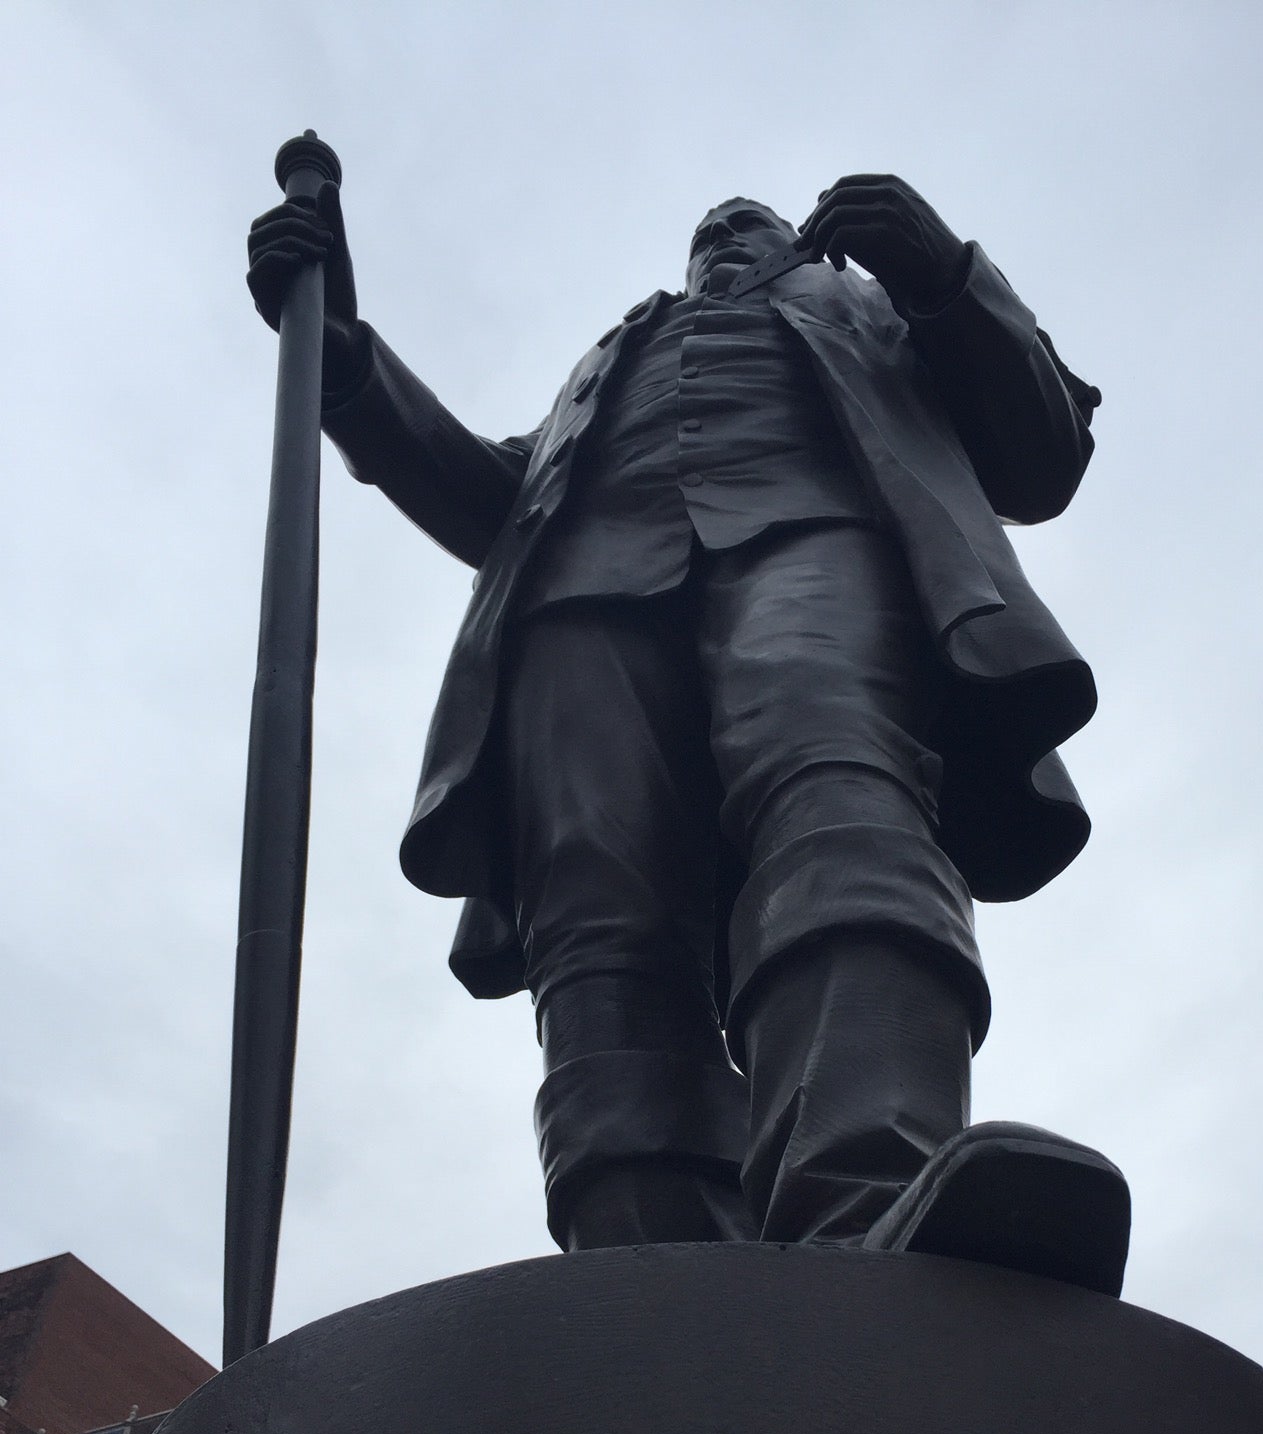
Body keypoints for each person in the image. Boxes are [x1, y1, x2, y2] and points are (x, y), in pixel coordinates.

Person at [246, 172, 1130, 1291]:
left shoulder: (871, 314)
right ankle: (646, 1265)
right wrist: (345, 363)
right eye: (710, 223)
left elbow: (1040, 454)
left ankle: (864, 1196)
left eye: (749, 217)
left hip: (813, 541)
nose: (726, 223)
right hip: (582, 603)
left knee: (839, 796)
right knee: (594, 914)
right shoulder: (610, 361)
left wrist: (936, 264)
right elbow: (492, 497)